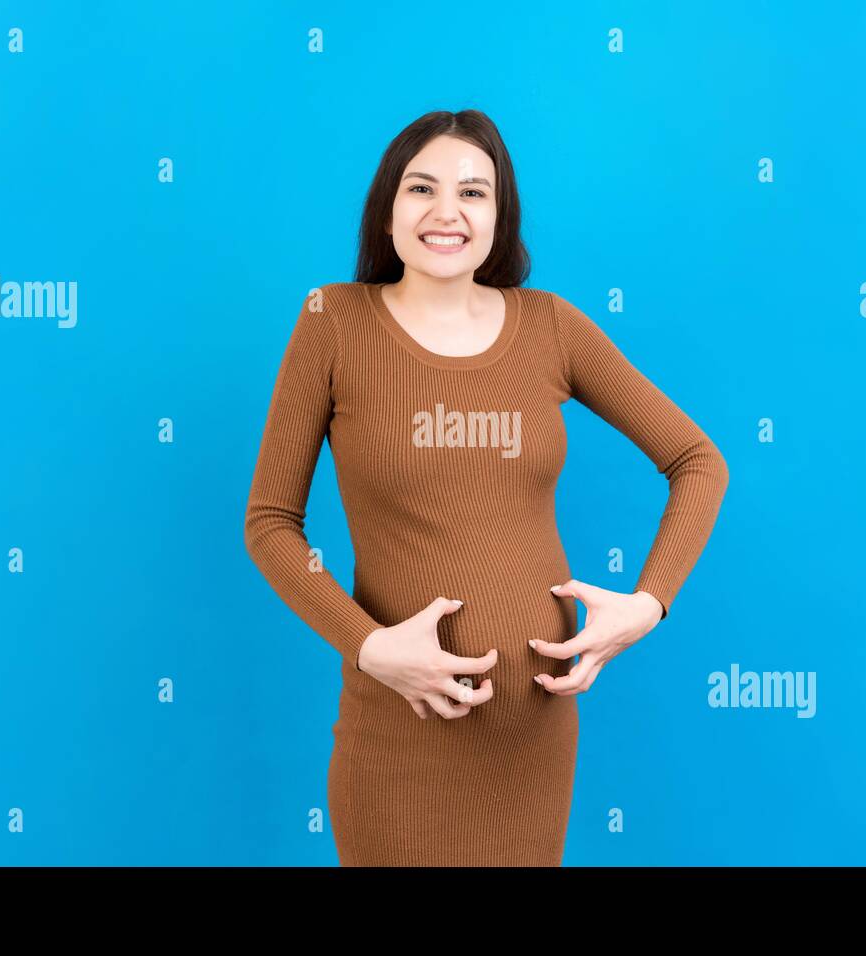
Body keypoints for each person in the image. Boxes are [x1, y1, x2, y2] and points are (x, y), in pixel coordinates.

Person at [244, 109, 729, 866]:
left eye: (474, 193)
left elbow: (697, 461)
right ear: (388, 208)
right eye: (421, 188)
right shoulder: (332, 322)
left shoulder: (551, 327)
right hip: (397, 735)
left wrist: (647, 603)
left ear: (500, 217)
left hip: (532, 741)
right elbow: (272, 522)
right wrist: (369, 646)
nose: (446, 212)